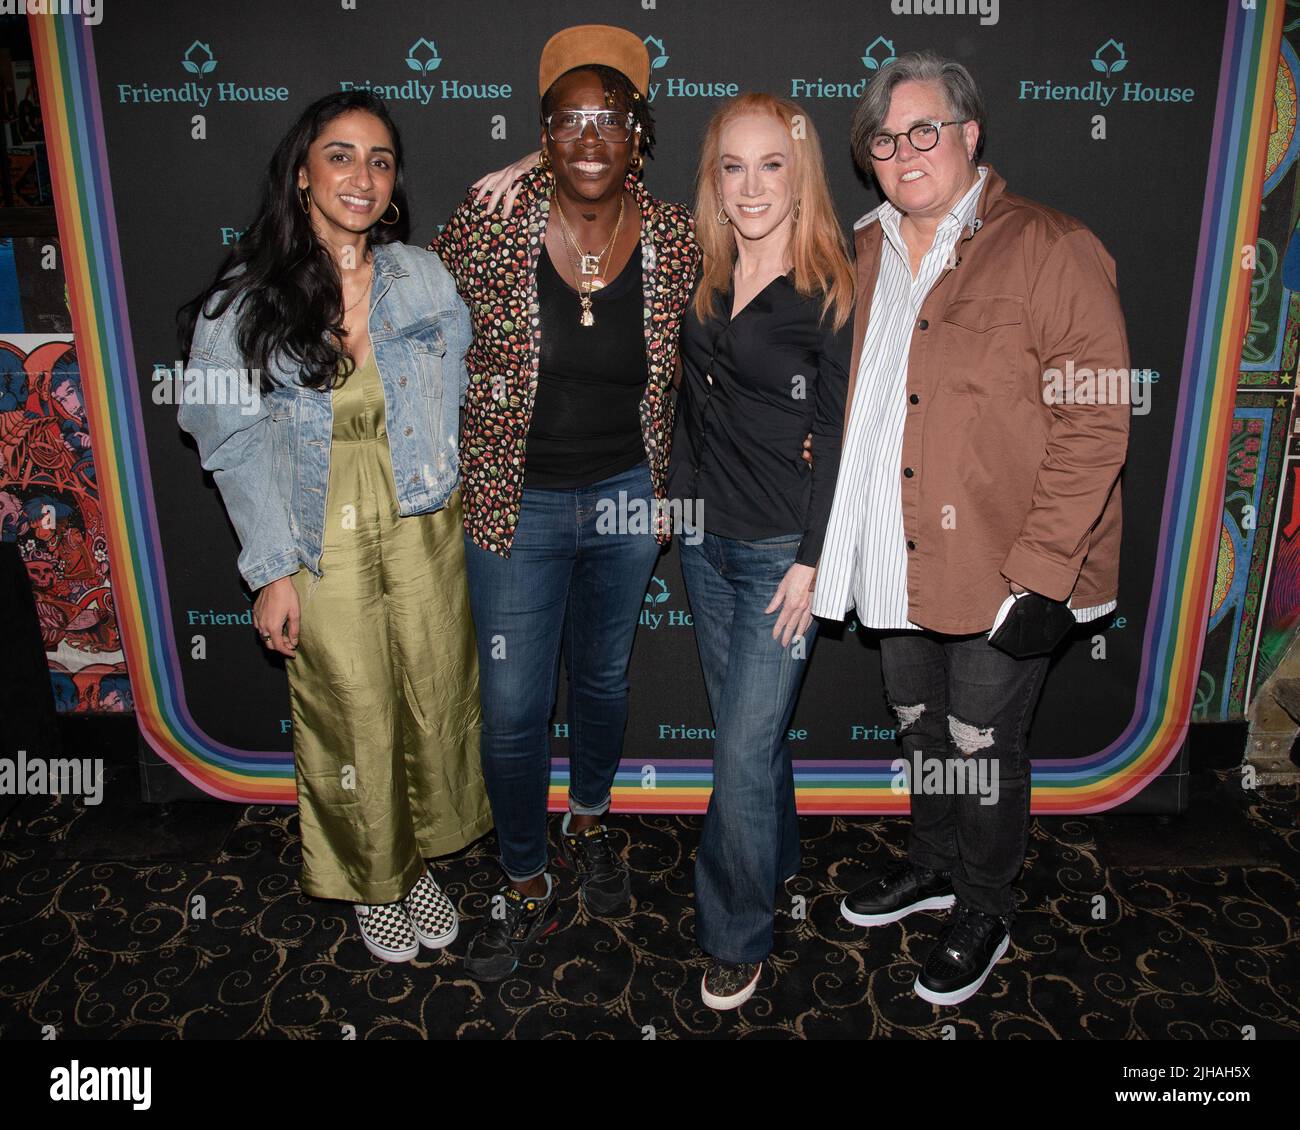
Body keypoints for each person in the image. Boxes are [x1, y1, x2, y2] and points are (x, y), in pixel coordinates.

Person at [813, 52, 1130, 1006]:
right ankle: (934, 864)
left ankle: (986, 901)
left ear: (970, 135)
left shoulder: (1048, 245)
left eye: (925, 131)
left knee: (983, 742)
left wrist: (1043, 574)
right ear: (867, 158)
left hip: (1009, 565)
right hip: (896, 552)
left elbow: (1099, 413)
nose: (905, 152)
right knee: (920, 725)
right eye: (884, 139)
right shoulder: (859, 246)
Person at [178, 91, 491, 964]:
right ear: (303, 171)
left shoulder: (424, 276)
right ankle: (373, 880)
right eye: (342, 155)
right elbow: (228, 443)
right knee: (350, 710)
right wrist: (272, 569)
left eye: (381, 160)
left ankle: (414, 861)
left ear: (395, 185)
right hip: (320, 531)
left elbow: (458, 390)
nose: (363, 176)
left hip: (422, 521)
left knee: (431, 700)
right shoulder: (238, 305)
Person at [430, 25, 700, 982]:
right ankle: (524, 872)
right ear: (542, 136)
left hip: (628, 497)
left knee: (603, 682)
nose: (591, 135)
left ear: (639, 134)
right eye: (568, 120)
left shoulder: (675, 235)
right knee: (509, 707)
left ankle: (589, 822)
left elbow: (725, 349)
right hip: (517, 505)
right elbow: (411, 317)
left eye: (610, 119)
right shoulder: (488, 224)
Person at [669, 93, 852, 1009]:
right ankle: (774, 860)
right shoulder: (702, 272)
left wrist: (815, 564)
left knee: (737, 752)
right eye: (732, 167)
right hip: (705, 549)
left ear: (799, 171)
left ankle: (734, 932)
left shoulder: (829, 290)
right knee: (757, 740)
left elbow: (841, 437)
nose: (750, 185)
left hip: (784, 556)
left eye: (770, 165)